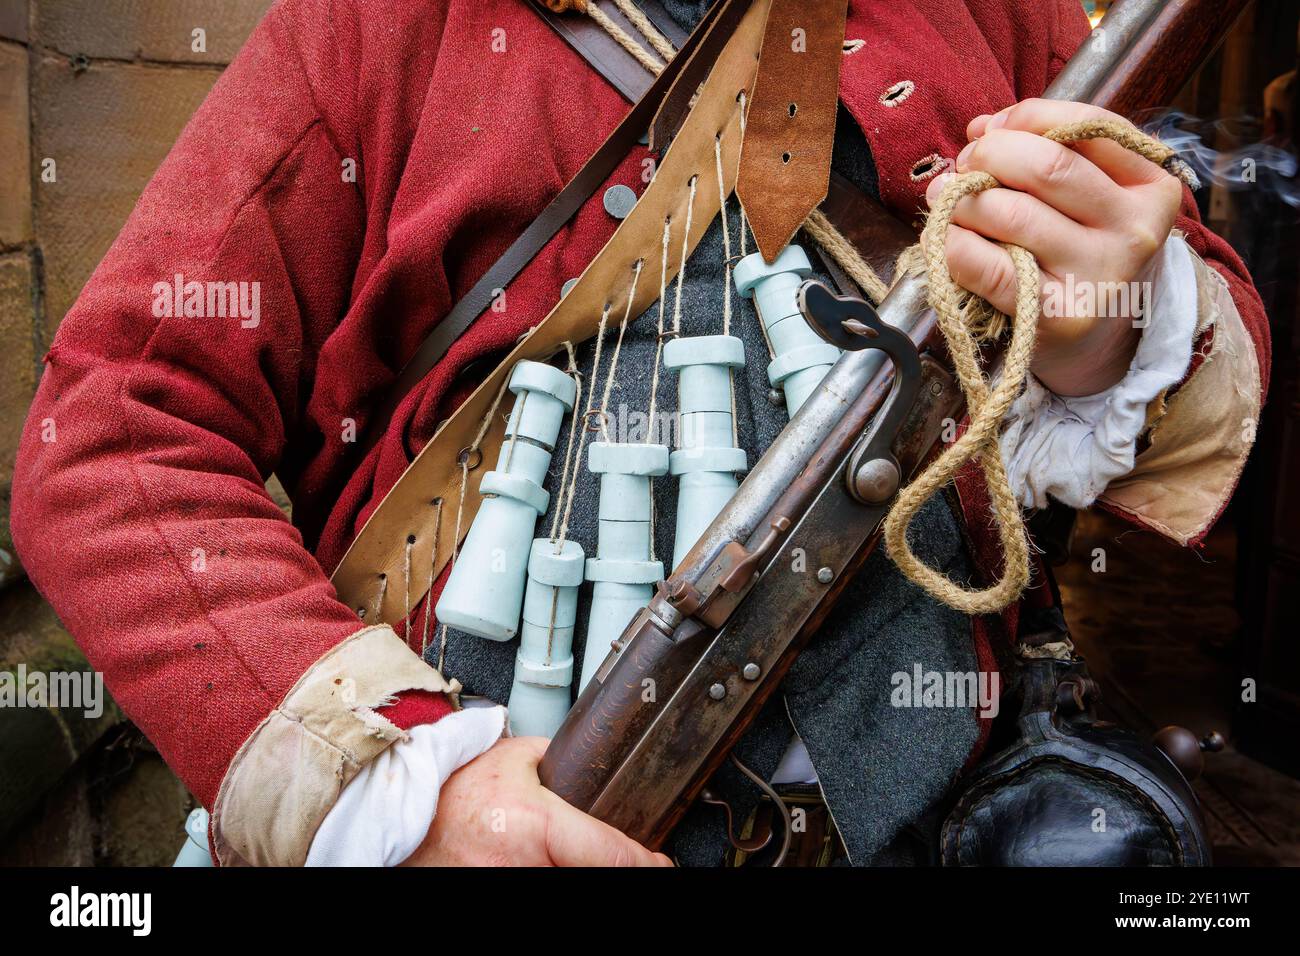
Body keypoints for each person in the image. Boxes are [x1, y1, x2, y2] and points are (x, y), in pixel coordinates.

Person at [10, 0, 1268, 866]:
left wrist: (1112, 330)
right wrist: (400, 789)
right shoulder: (377, 27)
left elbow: (1201, 330)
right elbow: (114, 427)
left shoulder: (993, 10)